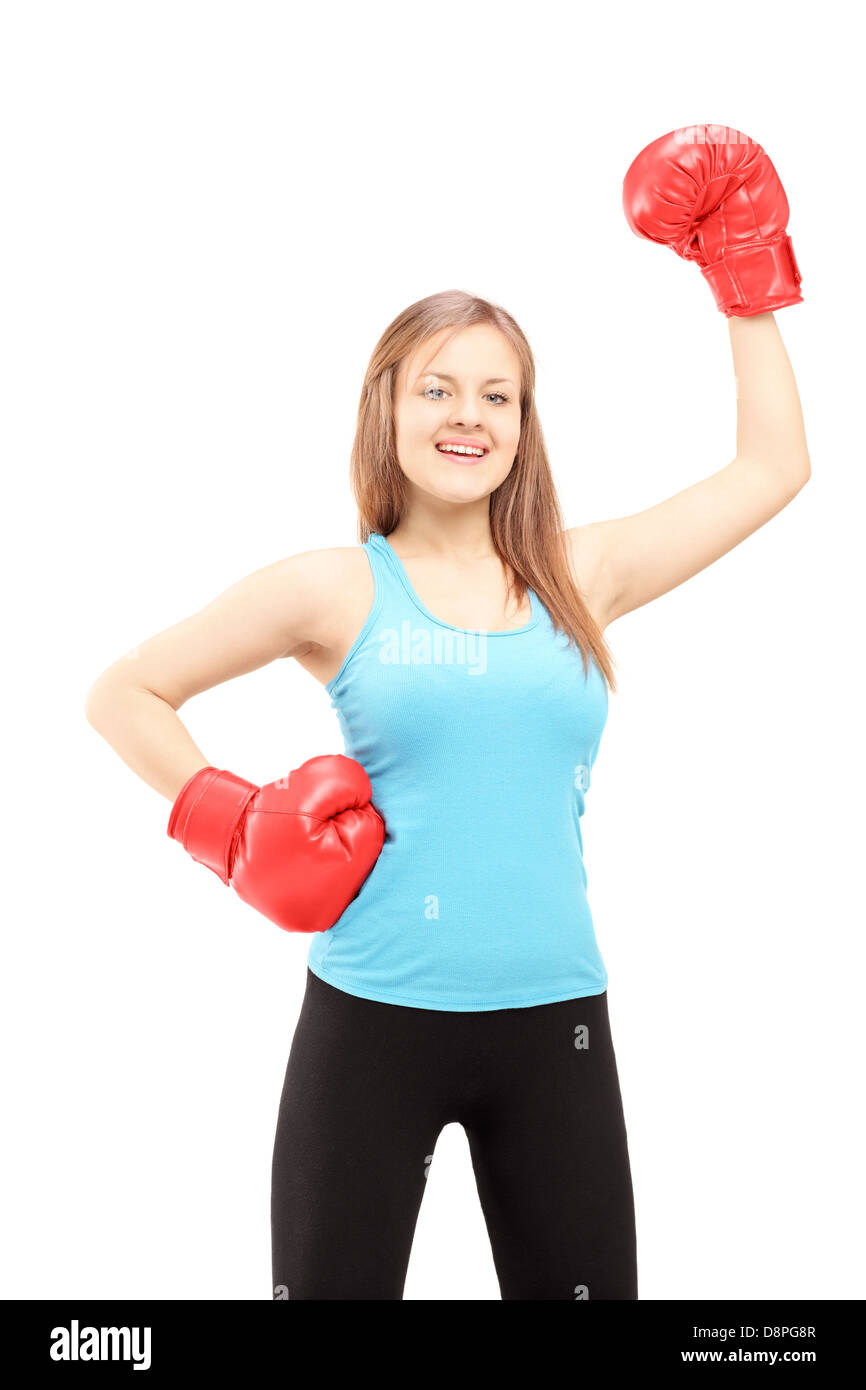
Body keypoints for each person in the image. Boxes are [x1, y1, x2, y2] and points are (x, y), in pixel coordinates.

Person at [85, 127, 810, 1300]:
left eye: (496, 394)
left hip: (557, 1022)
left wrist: (741, 272)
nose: (465, 415)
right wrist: (229, 823)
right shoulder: (334, 585)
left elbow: (771, 468)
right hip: (370, 1016)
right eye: (436, 388)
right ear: (388, 405)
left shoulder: (583, 573)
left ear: (524, 425)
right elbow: (123, 692)